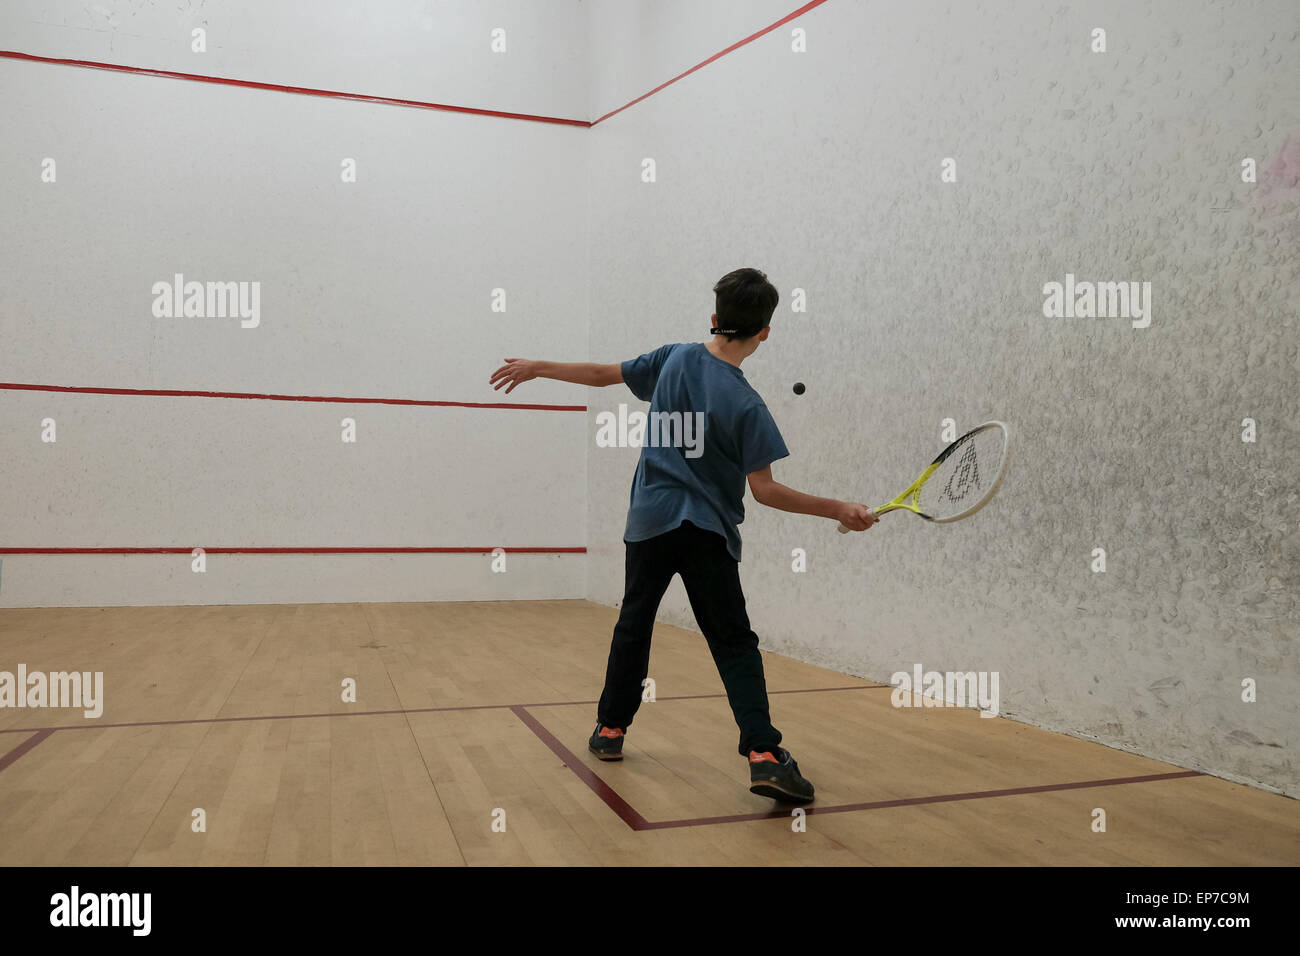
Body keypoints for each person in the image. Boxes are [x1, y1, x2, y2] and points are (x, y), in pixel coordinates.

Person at [489, 267, 876, 802]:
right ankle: (763, 754)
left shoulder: (673, 358)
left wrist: (538, 367)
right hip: (705, 532)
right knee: (733, 643)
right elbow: (764, 491)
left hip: (649, 522)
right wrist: (839, 508)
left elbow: (603, 374)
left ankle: (609, 730)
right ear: (765, 332)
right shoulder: (747, 404)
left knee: (634, 622)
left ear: (715, 318)